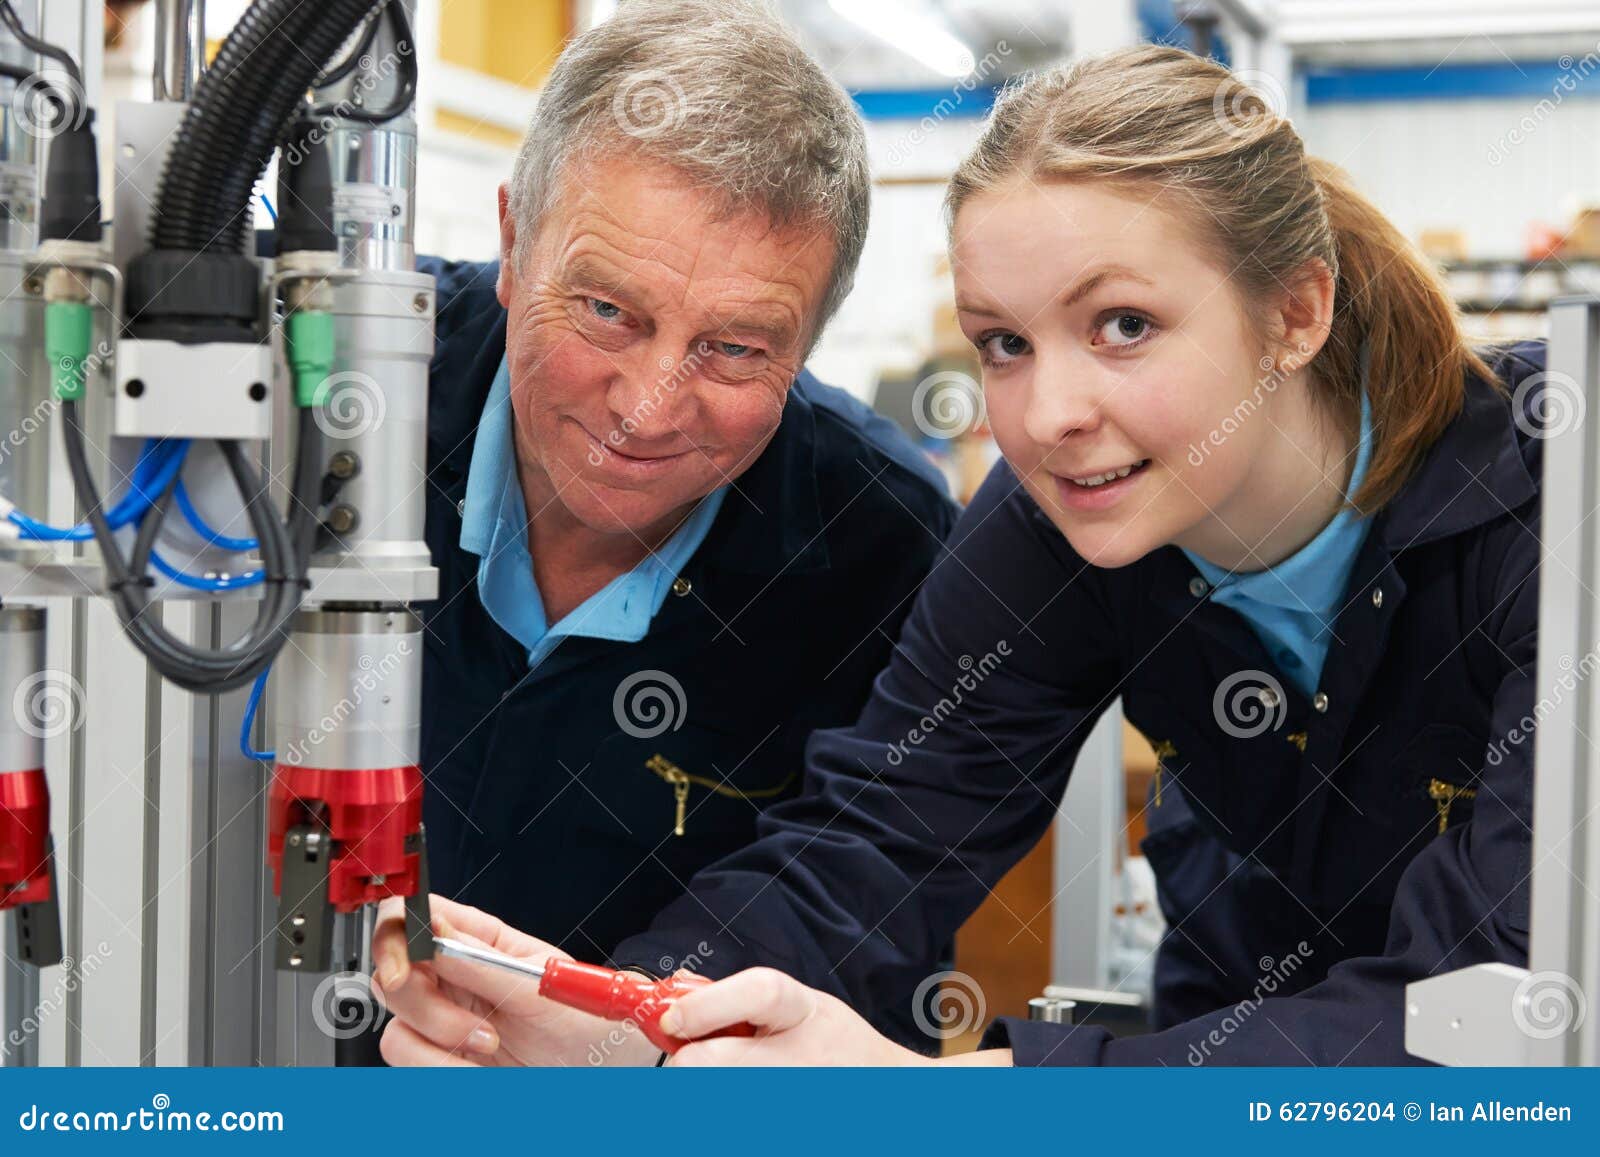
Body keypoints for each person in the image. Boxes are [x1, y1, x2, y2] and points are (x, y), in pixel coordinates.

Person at [376, 44, 1546, 1067]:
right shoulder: (1061, 521)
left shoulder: (1553, 508)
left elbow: (1490, 1009)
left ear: (1295, 312)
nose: (1046, 415)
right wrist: (628, 1019)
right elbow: (874, 841)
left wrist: (938, 1090)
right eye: (1003, 342)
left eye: (1122, 326)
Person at [406, 0, 956, 1051]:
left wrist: (627, 1035)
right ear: (515, 240)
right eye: (608, 310)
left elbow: (859, 883)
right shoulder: (340, 379)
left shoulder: (883, 543)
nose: (648, 406)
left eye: (737, 349)